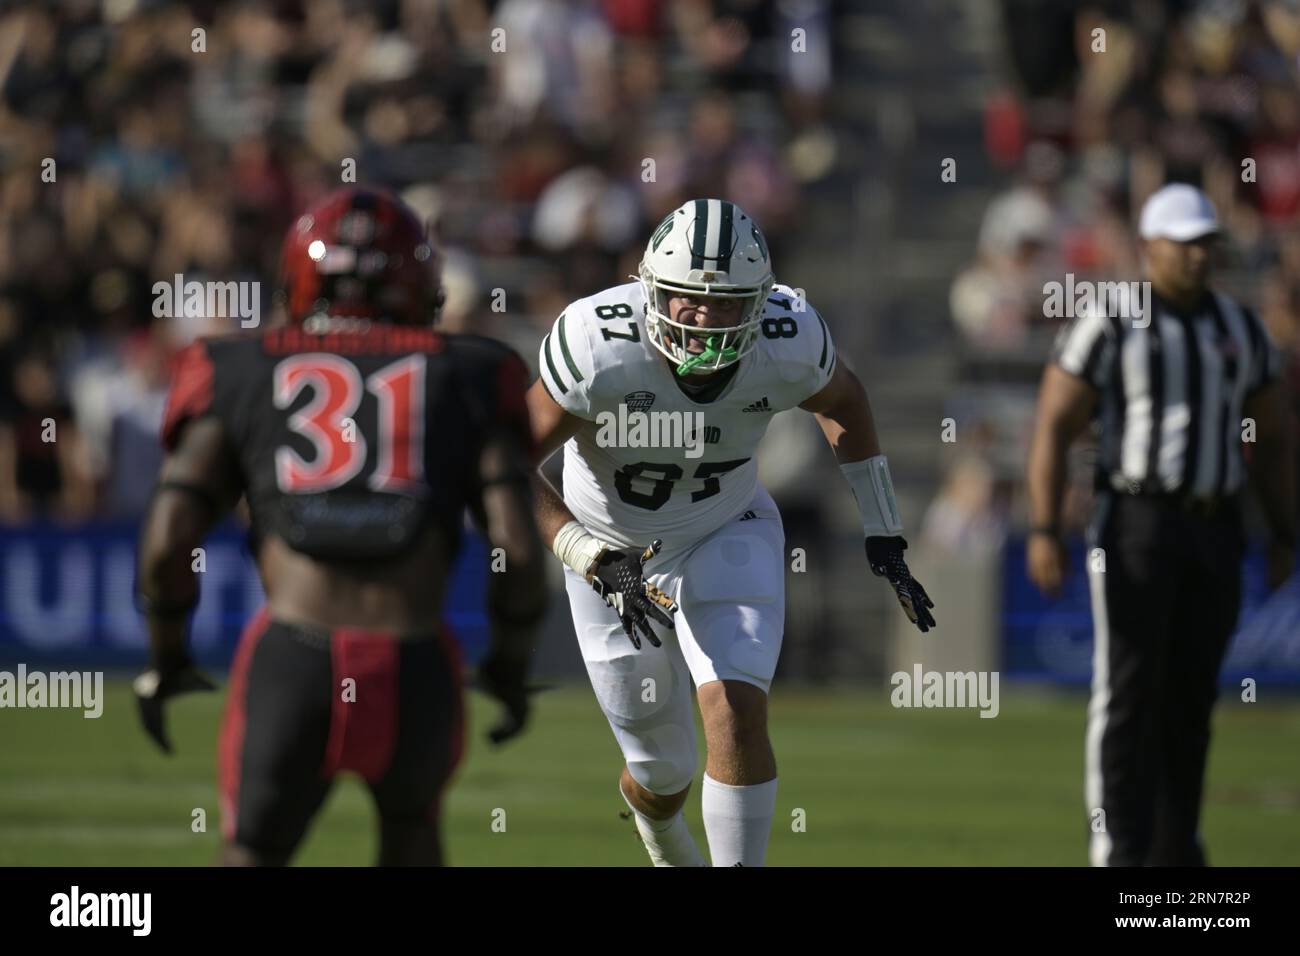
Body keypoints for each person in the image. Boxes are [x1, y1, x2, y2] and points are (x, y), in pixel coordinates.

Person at [133, 187, 547, 866]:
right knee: (412, 837)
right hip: (414, 662)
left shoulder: (239, 368)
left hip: (294, 657)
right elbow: (519, 550)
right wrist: (508, 664)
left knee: (252, 852)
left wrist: (166, 656)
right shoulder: (469, 374)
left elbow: (168, 537)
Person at [525, 198, 935, 866]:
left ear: (761, 301)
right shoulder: (599, 347)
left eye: (728, 303)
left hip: (725, 525)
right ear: (651, 290)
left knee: (736, 709)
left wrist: (883, 530)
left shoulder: (790, 334)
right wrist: (589, 555)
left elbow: (845, 401)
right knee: (661, 772)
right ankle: (661, 836)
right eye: (687, 298)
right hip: (609, 550)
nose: (706, 319)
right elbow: (502, 460)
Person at [1026, 183, 1297, 866]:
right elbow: (1055, 422)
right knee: (1128, 687)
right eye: (1184, 243)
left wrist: (1283, 529)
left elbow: (1271, 436)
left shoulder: (1242, 329)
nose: (1198, 257)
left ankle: (1177, 847)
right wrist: (1043, 527)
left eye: (1206, 243)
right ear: (1150, 247)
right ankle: (1116, 846)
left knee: (1192, 695)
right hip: (1137, 521)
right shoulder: (1112, 319)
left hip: (1216, 523)